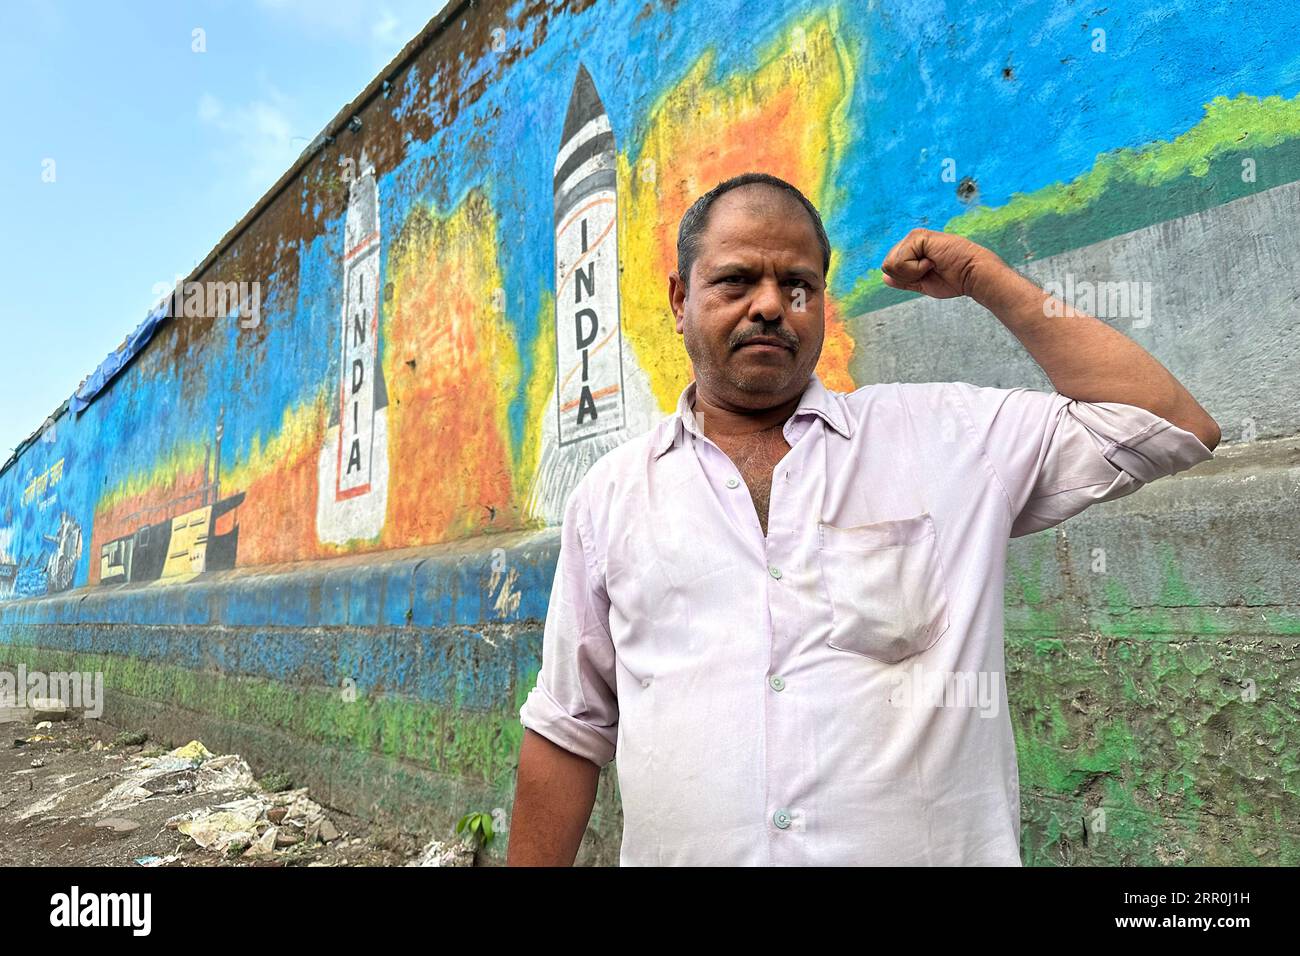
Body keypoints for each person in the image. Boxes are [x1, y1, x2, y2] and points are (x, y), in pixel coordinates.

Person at [508, 171, 1219, 866]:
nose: (769, 306)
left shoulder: (945, 436)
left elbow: (1168, 423)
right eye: (734, 282)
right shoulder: (610, 498)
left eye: (798, 286)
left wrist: (986, 279)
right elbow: (570, 728)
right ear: (679, 297)